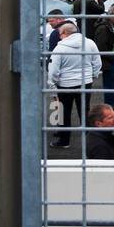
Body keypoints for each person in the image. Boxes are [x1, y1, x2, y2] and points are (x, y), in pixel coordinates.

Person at [47, 21, 102, 149]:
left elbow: (53, 71)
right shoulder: (89, 43)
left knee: (62, 112)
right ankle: (91, 140)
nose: (59, 36)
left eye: (60, 34)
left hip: (65, 84)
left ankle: (64, 140)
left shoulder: (60, 48)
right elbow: (97, 63)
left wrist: (52, 85)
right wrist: (92, 76)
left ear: (65, 33)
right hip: (85, 82)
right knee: (85, 111)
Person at [91, 5, 114, 112]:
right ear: (110, 15)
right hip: (110, 62)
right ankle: (109, 108)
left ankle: (111, 106)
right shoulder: (104, 28)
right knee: (111, 87)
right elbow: (101, 48)